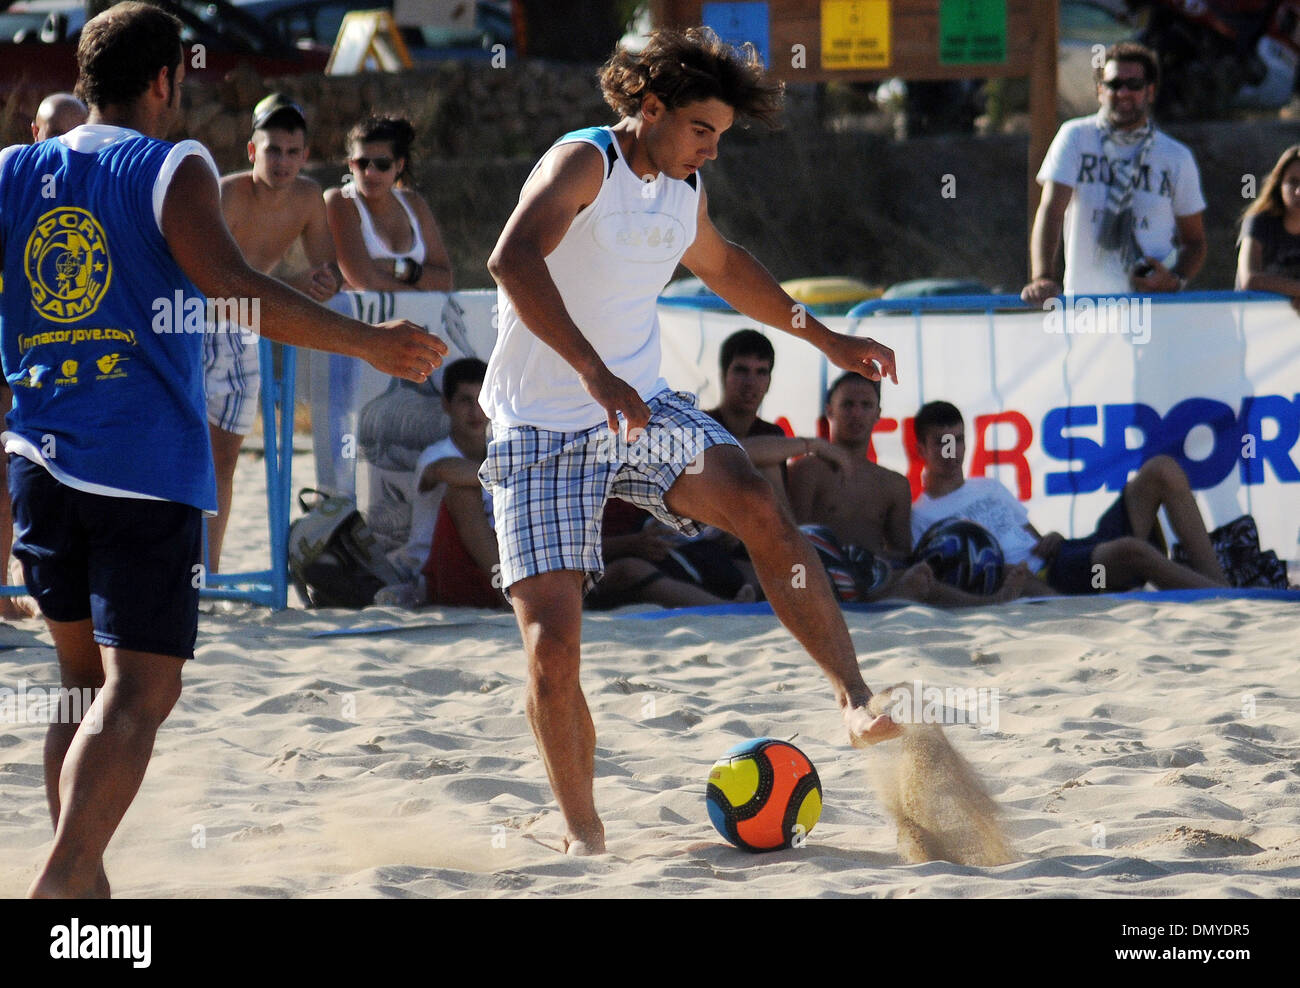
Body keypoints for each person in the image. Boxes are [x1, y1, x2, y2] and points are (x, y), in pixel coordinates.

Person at [0, 2, 445, 898]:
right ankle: (65, 877)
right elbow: (236, 290)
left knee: (77, 684)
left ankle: (78, 888)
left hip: (39, 455)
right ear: (167, 79)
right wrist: (369, 341)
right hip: (140, 465)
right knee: (140, 693)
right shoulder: (171, 165)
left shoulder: (12, 168)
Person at [479, 27, 902, 855]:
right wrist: (595, 375)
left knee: (753, 499)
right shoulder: (585, 162)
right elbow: (510, 260)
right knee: (552, 650)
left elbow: (727, 267)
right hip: (538, 422)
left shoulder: (683, 187)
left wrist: (828, 341)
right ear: (650, 107)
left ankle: (854, 698)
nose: (711, 149)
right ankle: (584, 835)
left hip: (640, 408)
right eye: (701, 130)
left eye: (722, 137)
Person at [205, 93, 342, 574]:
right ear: (251, 151)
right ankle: (174, 570)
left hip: (246, 327)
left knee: (226, 456)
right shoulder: (225, 194)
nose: (282, 161)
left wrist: (324, 281)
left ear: (305, 156)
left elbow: (328, 270)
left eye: (291, 151)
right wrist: (296, 285)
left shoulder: (308, 198)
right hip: (192, 322)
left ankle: (210, 571)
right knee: (182, 449)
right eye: (272, 150)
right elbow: (210, 280)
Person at [910, 402, 1228, 595]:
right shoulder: (922, 515)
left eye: (959, 440)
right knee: (1131, 550)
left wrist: (1053, 536)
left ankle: (1225, 588)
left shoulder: (989, 486)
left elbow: (1032, 538)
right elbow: (944, 579)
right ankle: (1227, 598)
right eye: (942, 443)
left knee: (1161, 469)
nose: (953, 452)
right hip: (1045, 580)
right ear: (921, 449)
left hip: (1063, 555)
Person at [789, 374, 1029, 605]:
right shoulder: (808, 469)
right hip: (821, 573)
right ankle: (878, 598)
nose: (856, 413)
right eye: (848, 405)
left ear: (878, 414)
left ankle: (988, 602)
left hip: (871, 575)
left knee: (922, 575)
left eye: (866, 405)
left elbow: (901, 553)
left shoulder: (894, 484)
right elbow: (794, 537)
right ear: (830, 410)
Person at [1021, 41, 1207, 304]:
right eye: (1114, 85)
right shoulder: (1076, 137)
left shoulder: (1175, 156)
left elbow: (1195, 241)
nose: (1124, 93)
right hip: (1087, 305)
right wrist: (1042, 277)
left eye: (1134, 85)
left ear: (1150, 91)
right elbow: (1051, 212)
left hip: (1153, 307)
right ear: (1100, 91)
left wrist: (1175, 280)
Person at [0, 95, 88, 617]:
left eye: (74, 134)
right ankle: (7, 596)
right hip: (15, 343)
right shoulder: (14, 179)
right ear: (35, 130)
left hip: (65, 352)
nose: (63, 145)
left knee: (56, 472)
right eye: (54, 132)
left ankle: (33, 589)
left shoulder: (95, 189)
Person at [704, 327, 851, 507]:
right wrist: (814, 444)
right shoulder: (701, 424)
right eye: (741, 370)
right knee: (768, 465)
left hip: (752, 528)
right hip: (703, 528)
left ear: (769, 383)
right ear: (723, 376)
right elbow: (726, 457)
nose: (750, 382)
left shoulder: (772, 433)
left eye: (761, 372)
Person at [325, 115, 453, 292]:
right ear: (350, 165)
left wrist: (395, 267)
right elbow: (364, 280)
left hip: (418, 319)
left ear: (399, 165)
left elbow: (445, 281)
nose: (370, 173)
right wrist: (420, 292)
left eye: (382, 164)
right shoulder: (340, 202)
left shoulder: (414, 204)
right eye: (362, 163)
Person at [1236, 144, 1300, 310]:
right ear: (1279, 185)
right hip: (1253, 325)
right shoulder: (1258, 222)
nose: (1299, 191)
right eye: (1293, 182)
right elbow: (1250, 279)